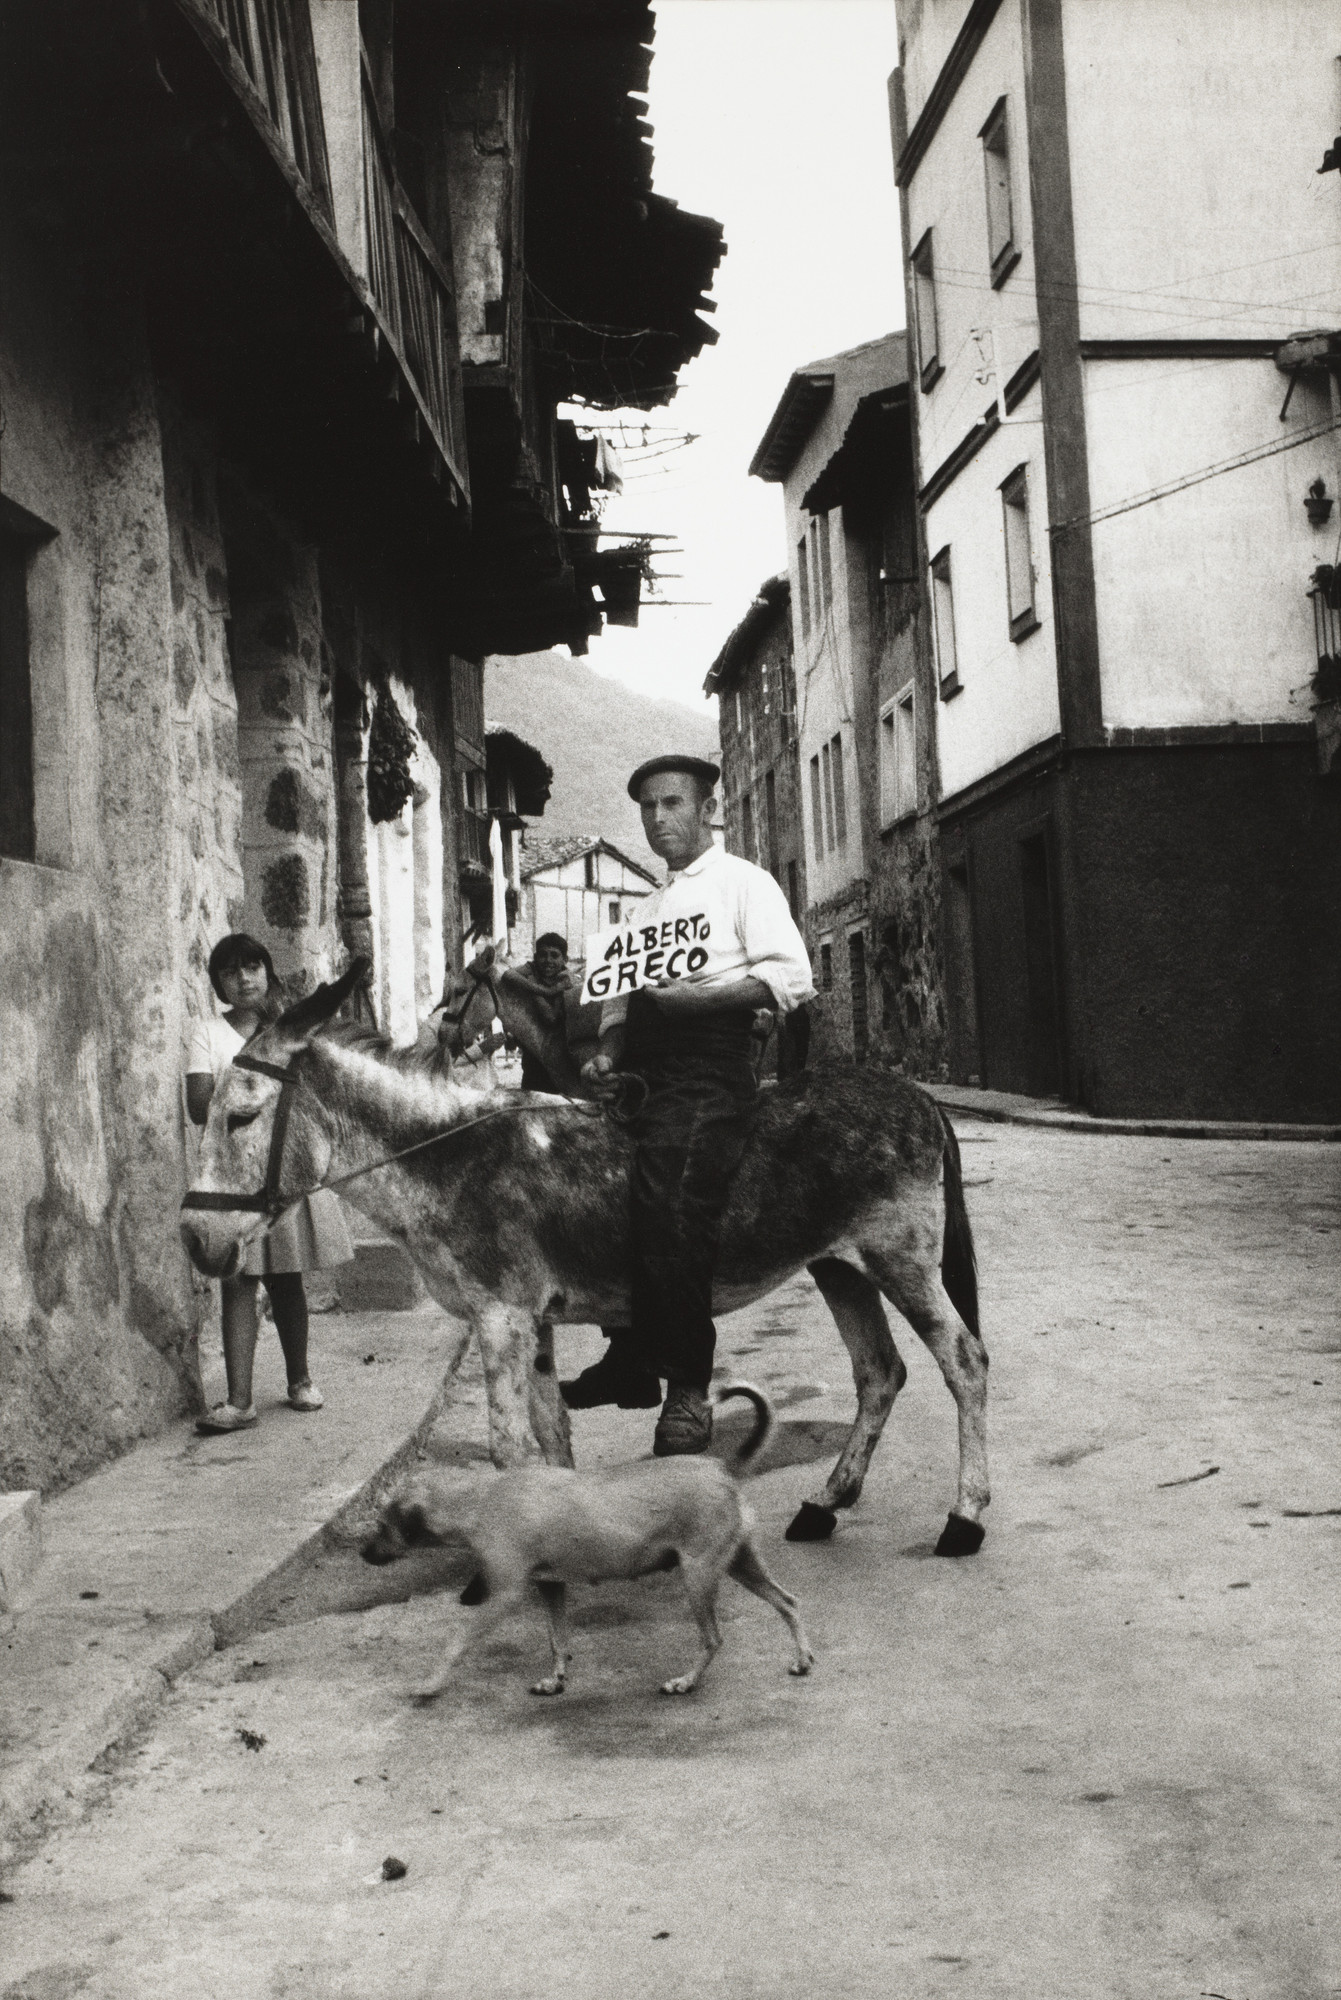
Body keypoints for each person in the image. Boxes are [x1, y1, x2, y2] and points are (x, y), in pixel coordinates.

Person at [564, 755, 816, 1455]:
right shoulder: (645, 908)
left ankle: (685, 1387)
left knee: (673, 1196)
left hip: (711, 1070)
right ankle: (628, 1354)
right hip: (645, 1074)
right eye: (647, 807)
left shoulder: (743, 883)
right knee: (590, 1186)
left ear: (707, 808)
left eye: (672, 803)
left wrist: (702, 998)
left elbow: (792, 977)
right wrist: (608, 1056)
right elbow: (616, 1003)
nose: (658, 818)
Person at [185, 933, 353, 1433]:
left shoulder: (291, 1029)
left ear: (268, 971)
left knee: (287, 1279)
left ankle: (299, 1380)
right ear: (219, 983)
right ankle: (239, 1400)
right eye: (232, 971)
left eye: (253, 966)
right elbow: (198, 1106)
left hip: (284, 1169)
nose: (245, 977)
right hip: (237, 1174)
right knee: (238, 1281)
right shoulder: (209, 1035)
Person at [501, 933, 574, 1093]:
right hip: (534, 1055)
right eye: (543, 955)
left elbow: (551, 1018)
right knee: (532, 1098)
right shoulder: (532, 969)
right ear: (535, 957)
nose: (548, 961)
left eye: (554, 955)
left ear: (565, 960)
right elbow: (507, 975)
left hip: (562, 1052)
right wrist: (544, 990)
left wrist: (536, 991)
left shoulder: (566, 979)